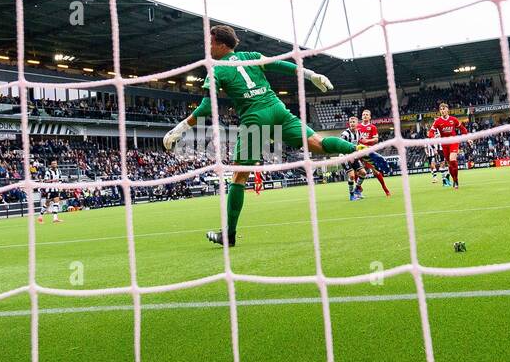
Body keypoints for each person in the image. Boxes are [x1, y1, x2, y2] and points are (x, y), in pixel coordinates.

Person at [163, 25, 391, 246]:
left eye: (210, 42)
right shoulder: (251, 55)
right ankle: (358, 150)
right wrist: (311, 75)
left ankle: (229, 235)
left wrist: (180, 129)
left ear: (221, 45)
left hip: (255, 119)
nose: (208, 46)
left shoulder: (217, 69)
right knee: (319, 144)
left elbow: (205, 108)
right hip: (277, 109)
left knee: (239, 178)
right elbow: (280, 64)